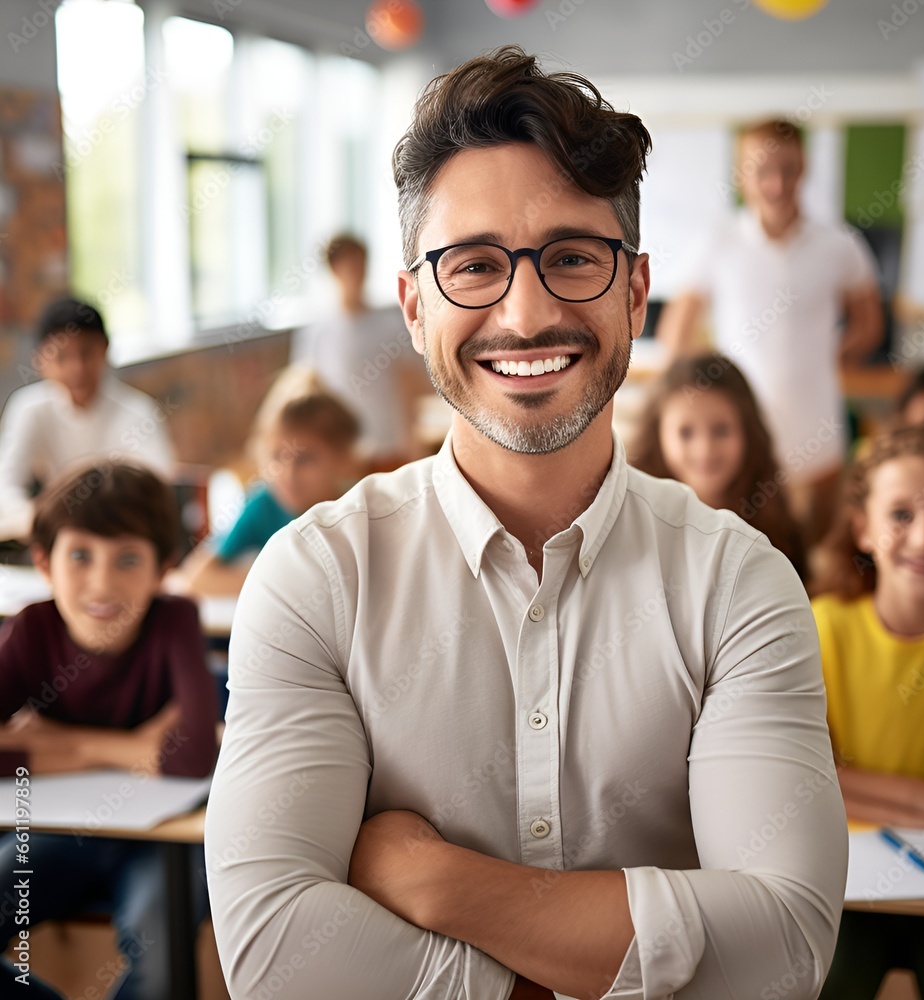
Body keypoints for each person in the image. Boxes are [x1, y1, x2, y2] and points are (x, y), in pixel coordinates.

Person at [206, 46, 847, 1000]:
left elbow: (785, 945)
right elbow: (273, 952)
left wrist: (435, 882)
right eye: (474, 267)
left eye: (573, 259)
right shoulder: (316, 578)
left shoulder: (740, 584)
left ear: (635, 294)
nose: (527, 310)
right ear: (416, 307)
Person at [0, 461, 218, 999]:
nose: (102, 583)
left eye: (127, 559)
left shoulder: (175, 622)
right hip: (53, 833)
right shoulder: (31, 630)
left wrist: (46, 743)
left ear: (163, 567)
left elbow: (193, 758)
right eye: (80, 556)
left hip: (161, 843)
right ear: (44, 563)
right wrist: (128, 749)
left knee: (159, 954)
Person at [810, 423, 924, 999]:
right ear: (862, 527)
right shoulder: (818, 626)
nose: (923, 538)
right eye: (900, 515)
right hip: (839, 888)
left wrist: (852, 788)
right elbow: (802, 784)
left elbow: (830, 782)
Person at [657, 118, 883, 545]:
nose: (777, 184)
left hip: (816, 417)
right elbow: (676, 331)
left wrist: (820, 361)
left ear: (805, 169)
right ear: (743, 174)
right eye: (763, 171)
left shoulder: (839, 244)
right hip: (739, 424)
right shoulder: (718, 242)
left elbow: (869, 325)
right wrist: (705, 389)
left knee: (817, 545)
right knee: (740, 542)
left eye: (789, 169)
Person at [0, 296, 175, 544]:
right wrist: (39, 519)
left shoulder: (137, 411)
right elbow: (6, 486)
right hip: (54, 533)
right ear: (40, 360)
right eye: (62, 357)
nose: (77, 368)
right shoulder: (29, 409)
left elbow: (157, 482)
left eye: (87, 353)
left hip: (119, 532)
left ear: (105, 349)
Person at [177, 367, 362, 597]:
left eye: (305, 458)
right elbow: (198, 576)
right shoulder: (262, 504)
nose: (288, 473)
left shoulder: (355, 507)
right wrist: (280, 581)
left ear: (342, 459)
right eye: (277, 457)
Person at [630, 353, 806, 578]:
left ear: (748, 431)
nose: (705, 450)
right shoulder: (633, 522)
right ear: (658, 435)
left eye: (721, 430)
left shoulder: (782, 532)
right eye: (686, 432)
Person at [291, 232, 430, 467]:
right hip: (343, 453)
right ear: (334, 269)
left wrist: (413, 439)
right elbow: (308, 395)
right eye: (348, 265)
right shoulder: (316, 334)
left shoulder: (391, 325)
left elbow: (410, 386)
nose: (356, 272)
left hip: (390, 447)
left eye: (360, 264)